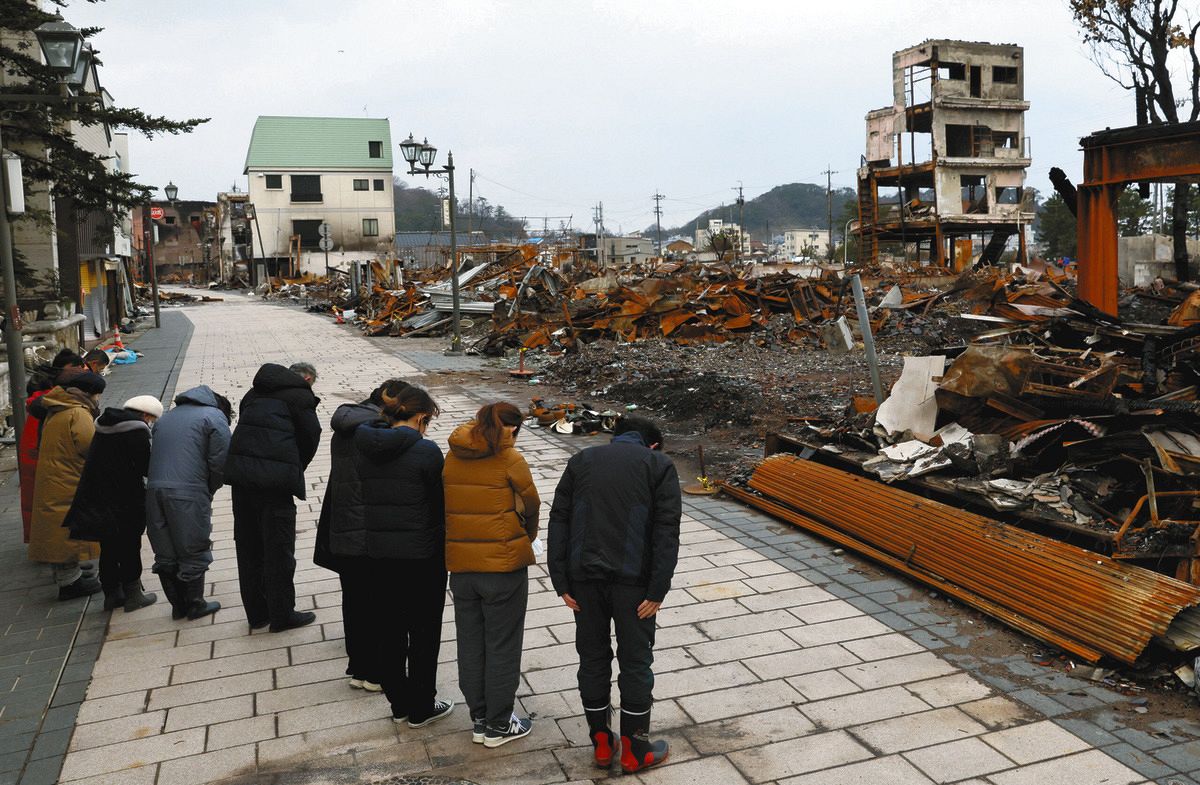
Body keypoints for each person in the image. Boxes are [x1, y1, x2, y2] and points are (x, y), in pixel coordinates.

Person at [547, 415, 681, 774]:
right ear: (652, 444)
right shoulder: (658, 465)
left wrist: (560, 580)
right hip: (634, 586)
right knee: (636, 662)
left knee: (592, 658)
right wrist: (658, 589)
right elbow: (666, 530)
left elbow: (559, 519)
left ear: (616, 437)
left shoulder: (582, 460)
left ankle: (601, 742)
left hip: (583, 583)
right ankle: (636, 748)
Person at [338, 384, 452, 728]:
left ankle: (399, 702)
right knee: (423, 633)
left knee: (388, 631)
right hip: (421, 558)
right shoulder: (427, 452)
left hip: (377, 554)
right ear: (420, 417)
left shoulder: (364, 447)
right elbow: (438, 505)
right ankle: (421, 706)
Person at [442, 401, 541, 747]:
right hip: (502, 568)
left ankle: (480, 719)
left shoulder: (453, 455)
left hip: (463, 567)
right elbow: (531, 504)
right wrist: (526, 536)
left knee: (470, 643)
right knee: (502, 645)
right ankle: (500, 724)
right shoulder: (509, 458)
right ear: (511, 428)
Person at [315, 377, 408, 691]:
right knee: (378, 602)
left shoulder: (348, 425)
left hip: (344, 527)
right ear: (389, 399)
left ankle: (360, 668)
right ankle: (377, 673)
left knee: (355, 601)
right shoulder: (376, 434)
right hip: (369, 529)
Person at [225, 362, 321, 633]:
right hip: (274, 484)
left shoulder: (252, 394)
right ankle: (282, 615)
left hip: (241, 478)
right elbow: (311, 435)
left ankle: (257, 614)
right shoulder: (300, 396)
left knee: (248, 546)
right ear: (307, 378)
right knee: (278, 548)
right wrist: (292, 466)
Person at [64, 395, 164, 611]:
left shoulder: (104, 426)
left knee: (108, 547)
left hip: (96, 498)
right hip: (124, 500)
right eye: (151, 419)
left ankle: (112, 594)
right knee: (129, 546)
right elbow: (145, 467)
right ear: (146, 415)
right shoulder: (136, 431)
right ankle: (134, 595)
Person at [146, 385, 232, 620]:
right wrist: (210, 487)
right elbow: (220, 460)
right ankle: (195, 604)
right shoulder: (214, 417)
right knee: (192, 545)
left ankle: (178, 606)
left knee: (165, 549)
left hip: (154, 490)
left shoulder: (167, 416)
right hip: (188, 491)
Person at [28, 372, 108, 600]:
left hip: (56, 477)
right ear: (89, 393)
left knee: (59, 530)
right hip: (67, 479)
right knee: (65, 532)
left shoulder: (58, 408)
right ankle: (69, 584)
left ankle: (71, 576)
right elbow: (90, 447)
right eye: (98, 394)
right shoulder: (77, 413)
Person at [19, 351, 85, 544]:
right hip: (46, 457)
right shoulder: (58, 401)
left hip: (42, 455)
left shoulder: (47, 397)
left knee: (41, 502)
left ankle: (43, 541)